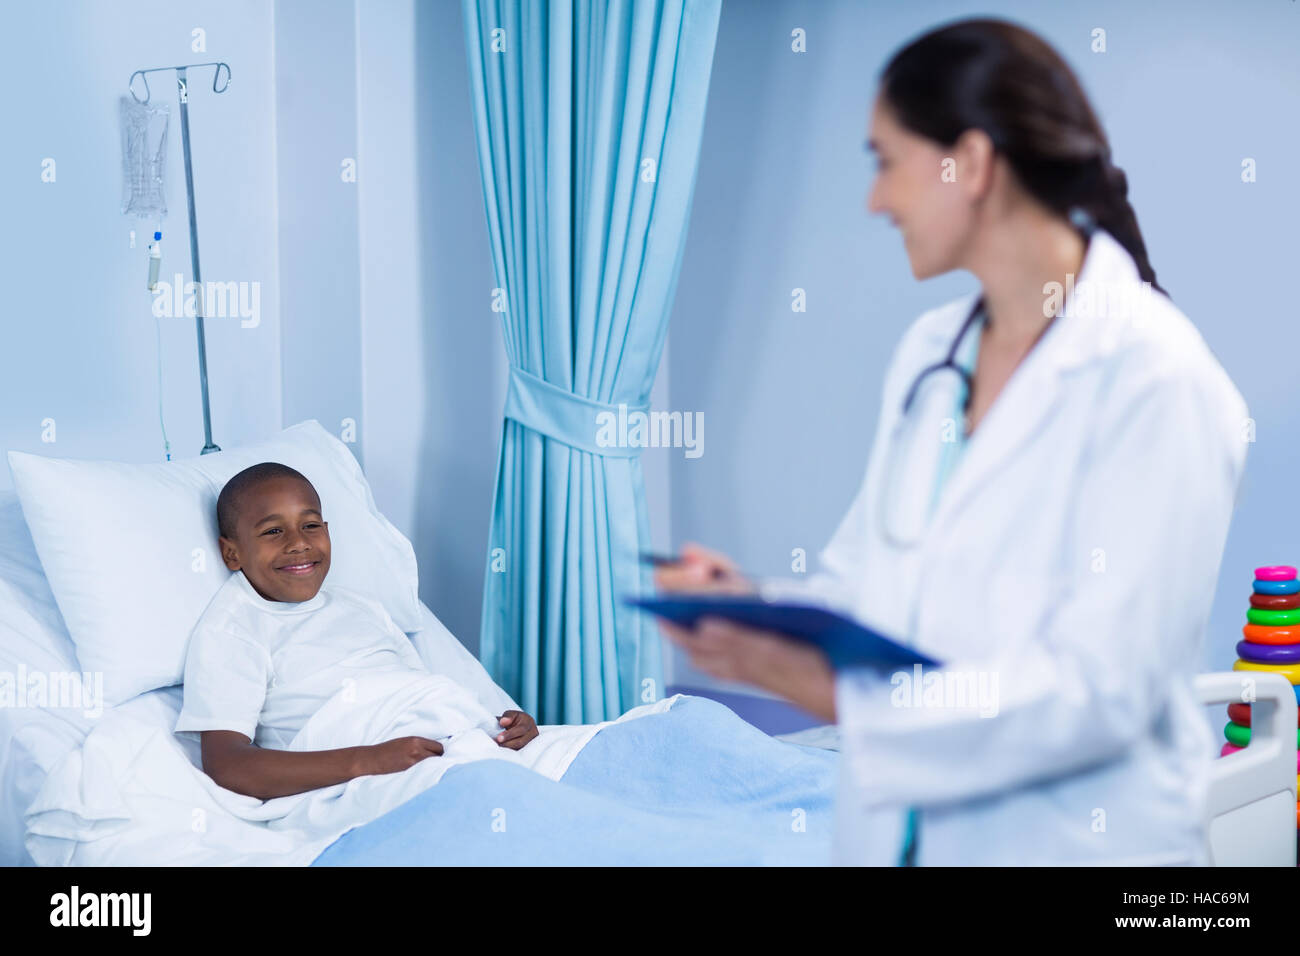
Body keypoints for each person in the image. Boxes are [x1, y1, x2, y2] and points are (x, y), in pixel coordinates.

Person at [653, 18, 1248, 865]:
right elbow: (870, 582)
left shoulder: (1159, 381)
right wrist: (755, 610)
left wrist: (825, 691)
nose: (874, 199)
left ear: (968, 165)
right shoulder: (933, 354)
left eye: (885, 161)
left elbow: (1095, 696)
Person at [175, 462, 539, 800]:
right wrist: (367, 761)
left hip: (447, 746)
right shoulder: (235, 629)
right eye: (273, 531)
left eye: (311, 525)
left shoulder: (362, 607)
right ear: (232, 554)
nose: (298, 542)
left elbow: (416, 694)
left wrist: (501, 725)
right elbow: (228, 764)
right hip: (374, 773)